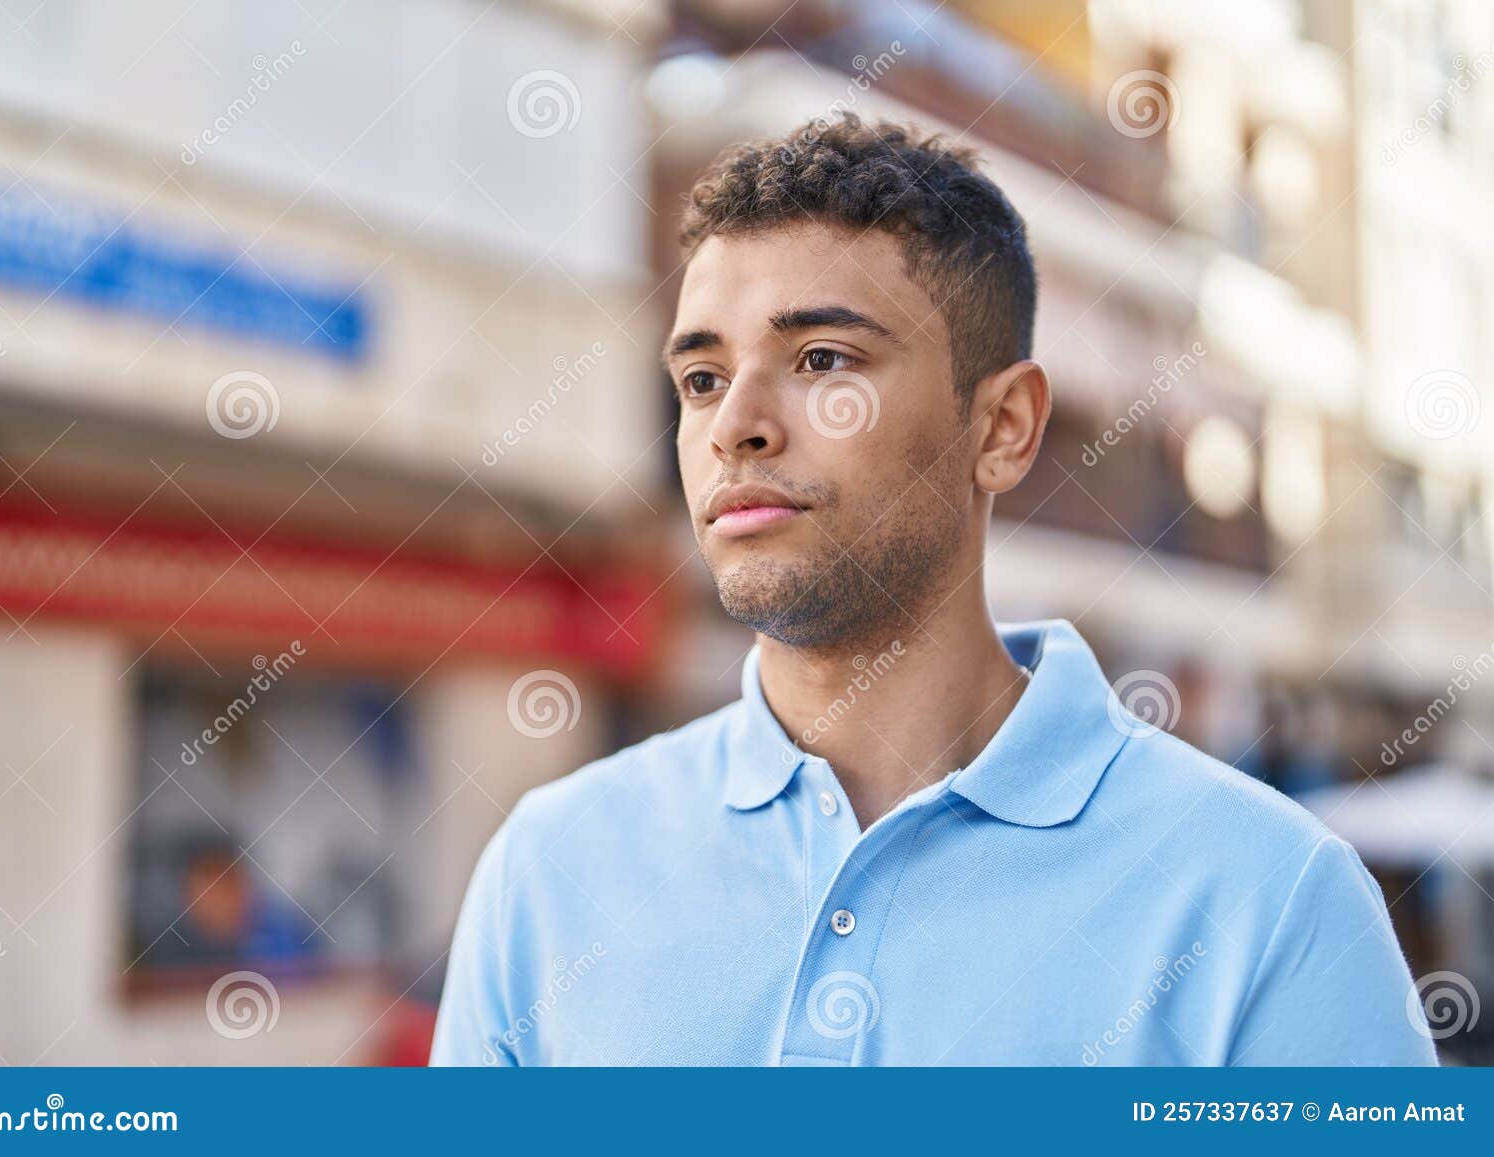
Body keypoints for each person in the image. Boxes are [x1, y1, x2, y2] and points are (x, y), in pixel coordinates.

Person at [431, 115, 1437, 1066]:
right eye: (701, 377)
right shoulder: (547, 872)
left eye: (821, 359)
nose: (733, 423)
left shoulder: (1267, 901)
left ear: (1001, 426)